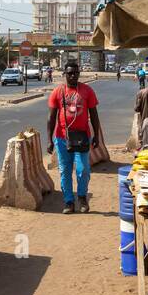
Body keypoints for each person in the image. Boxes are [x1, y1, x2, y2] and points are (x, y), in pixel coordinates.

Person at [46, 60, 102, 214]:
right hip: (62, 138)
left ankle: (82, 197)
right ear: (65, 74)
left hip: (83, 138)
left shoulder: (87, 91)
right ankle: (68, 202)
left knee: (83, 169)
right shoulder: (58, 92)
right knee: (65, 171)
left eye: (75, 73)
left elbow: (94, 115)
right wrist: (49, 140)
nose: (73, 76)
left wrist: (96, 135)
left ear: (79, 74)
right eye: (69, 73)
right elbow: (51, 118)